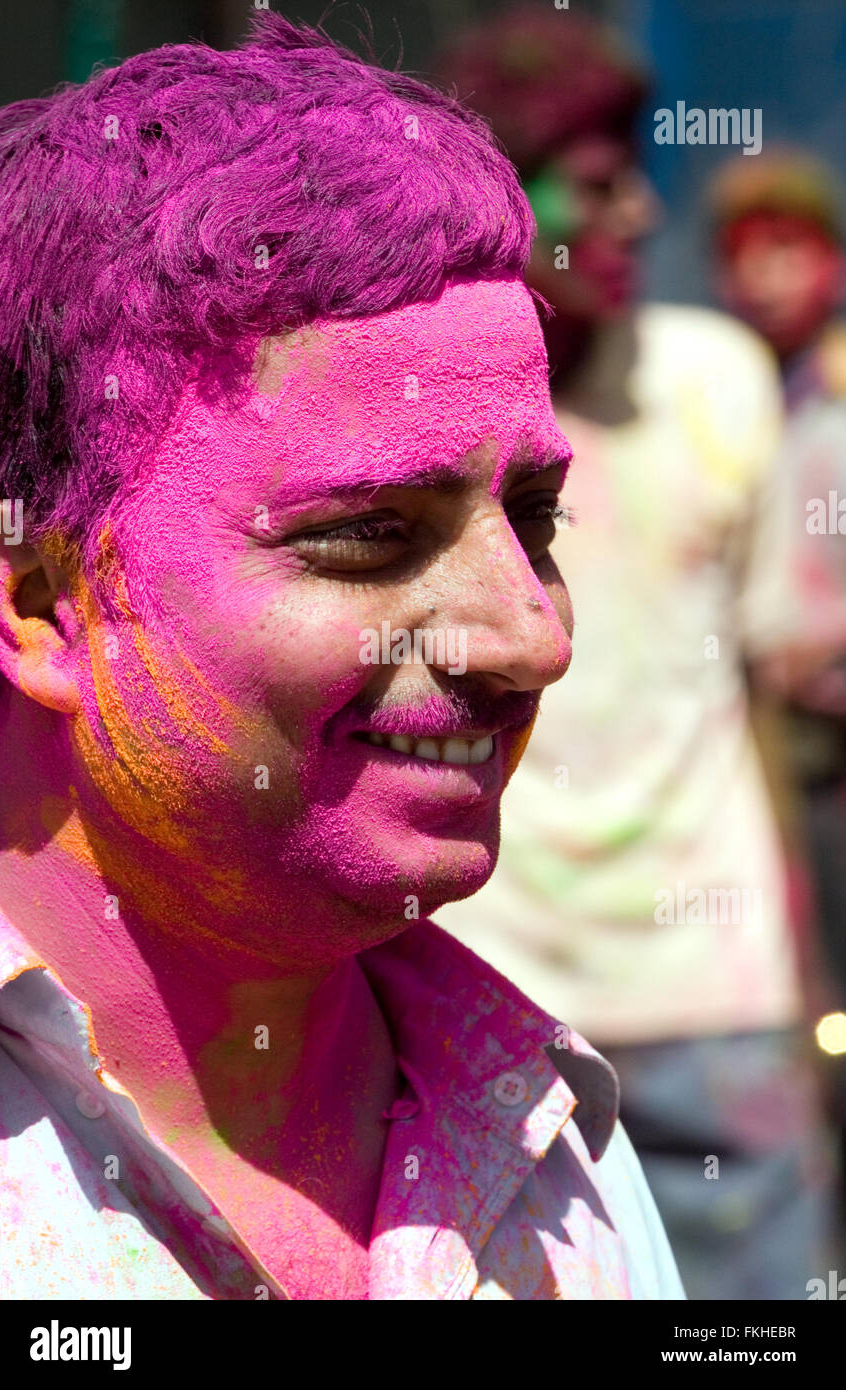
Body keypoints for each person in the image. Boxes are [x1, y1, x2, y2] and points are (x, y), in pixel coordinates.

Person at [0, 13, 683, 1300]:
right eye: (368, 537)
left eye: (533, 521)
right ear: (42, 605)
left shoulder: (545, 1127)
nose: (531, 638)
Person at [433, 6, 837, 1299]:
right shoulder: (434, 426)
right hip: (498, 993)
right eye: (597, 187)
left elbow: (777, 672)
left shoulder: (717, 384)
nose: (638, 221)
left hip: (712, 996)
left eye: (639, 183)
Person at [710, 147, 846, 1181]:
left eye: (786, 250)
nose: (764, 276)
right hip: (764, 737)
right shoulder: (720, 395)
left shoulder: (829, 402)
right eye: (741, 256)